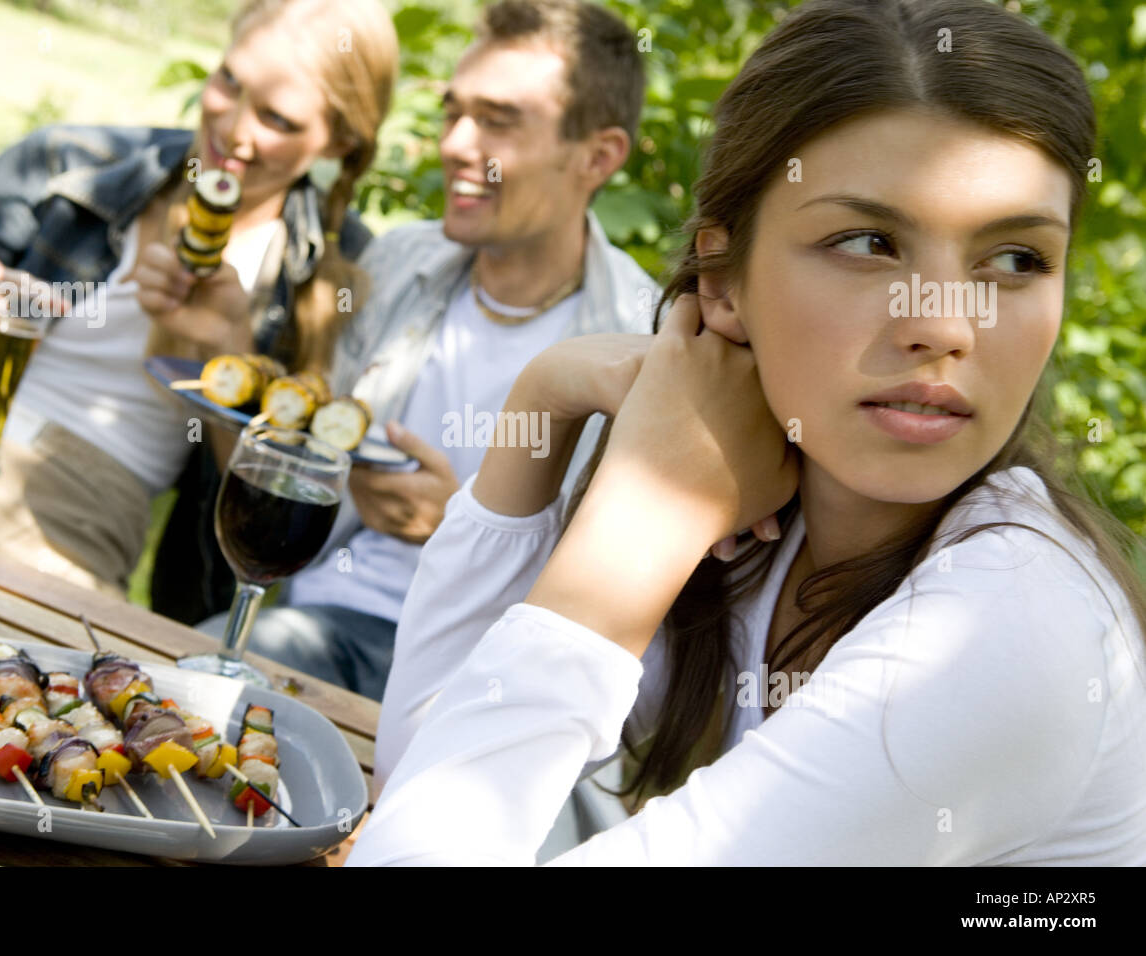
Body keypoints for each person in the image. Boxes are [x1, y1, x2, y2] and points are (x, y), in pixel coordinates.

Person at [348, 0, 1146, 865]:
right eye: (870, 241)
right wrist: (542, 401)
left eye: (1018, 259)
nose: (946, 324)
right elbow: (421, 779)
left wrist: (639, 522)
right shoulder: (771, 522)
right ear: (723, 282)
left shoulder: (1005, 631)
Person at [0, 0, 398, 597]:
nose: (234, 130)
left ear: (339, 140)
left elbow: (265, 515)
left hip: (84, 515)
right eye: (228, 83)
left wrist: (227, 345)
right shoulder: (71, 161)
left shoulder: (335, 275)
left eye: (278, 119)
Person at [199, 0, 657, 701]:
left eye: (498, 121)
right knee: (192, 685)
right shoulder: (398, 263)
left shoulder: (644, 337)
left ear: (597, 157)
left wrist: (469, 531)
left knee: (214, 692)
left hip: (488, 675)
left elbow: (634, 601)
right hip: (323, 619)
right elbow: (286, 465)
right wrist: (229, 343)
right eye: (453, 113)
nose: (453, 144)